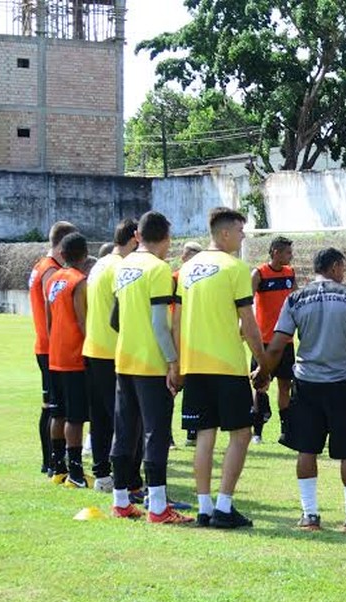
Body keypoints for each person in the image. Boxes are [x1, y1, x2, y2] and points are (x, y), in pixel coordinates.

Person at [258, 247, 346, 532]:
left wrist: (263, 373)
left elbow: (277, 343)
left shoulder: (296, 298)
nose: (344, 272)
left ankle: (309, 516)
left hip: (307, 383)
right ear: (335, 267)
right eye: (343, 267)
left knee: (306, 448)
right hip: (344, 384)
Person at [173, 208, 264, 529]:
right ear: (224, 233)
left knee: (204, 437)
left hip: (195, 365)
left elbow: (177, 321)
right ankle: (224, 507)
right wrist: (263, 362)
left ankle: (203, 508)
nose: (243, 237)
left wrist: (177, 363)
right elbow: (249, 323)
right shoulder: (235, 268)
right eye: (241, 231)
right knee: (241, 434)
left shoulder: (186, 269)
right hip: (227, 366)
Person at [109, 210, 192, 524]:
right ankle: (158, 507)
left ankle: (121, 501)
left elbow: (116, 318)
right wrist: (173, 362)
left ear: (139, 236)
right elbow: (160, 324)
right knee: (156, 434)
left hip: (124, 359)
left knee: (125, 431)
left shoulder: (124, 266)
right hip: (151, 364)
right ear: (167, 239)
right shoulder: (158, 270)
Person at [84, 220, 139, 493]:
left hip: (93, 349)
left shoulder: (100, 264)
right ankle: (127, 480)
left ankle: (102, 475)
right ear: (135, 239)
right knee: (126, 419)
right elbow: (123, 314)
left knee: (101, 419)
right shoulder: (121, 267)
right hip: (113, 352)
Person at [43, 232, 93, 488]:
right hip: (74, 358)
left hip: (55, 357)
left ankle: (57, 468)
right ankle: (75, 472)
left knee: (58, 413)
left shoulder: (53, 281)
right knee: (75, 417)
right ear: (85, 255)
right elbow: (83, 321)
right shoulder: (79, 282)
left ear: (62, 254)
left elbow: (50, 321)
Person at [29, 221, 77, 475]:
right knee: (54, 408)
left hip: (46, 346)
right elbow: (54, 311)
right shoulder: (50, 270)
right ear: (62, 245)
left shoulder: (41, 266)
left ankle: (51, 461)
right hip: (51, 348)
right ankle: (51, 462)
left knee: (51, 406)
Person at [251, 236, 296, 444]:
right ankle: (257, 432)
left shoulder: (290, 272)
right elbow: (247, 302)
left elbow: (295, 300)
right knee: (261, 384)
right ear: (276, 252)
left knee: (285, 385)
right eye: (287, 252)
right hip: (265, 341)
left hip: (286, 341)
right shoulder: (259, 274)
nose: (291, 256)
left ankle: (286, 430)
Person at [180, 240, 205, 448]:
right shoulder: (175, 278)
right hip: (180, 340)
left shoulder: (203, 280)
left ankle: (193, 431)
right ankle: (169, 436)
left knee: (195, 387)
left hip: (198, 342)